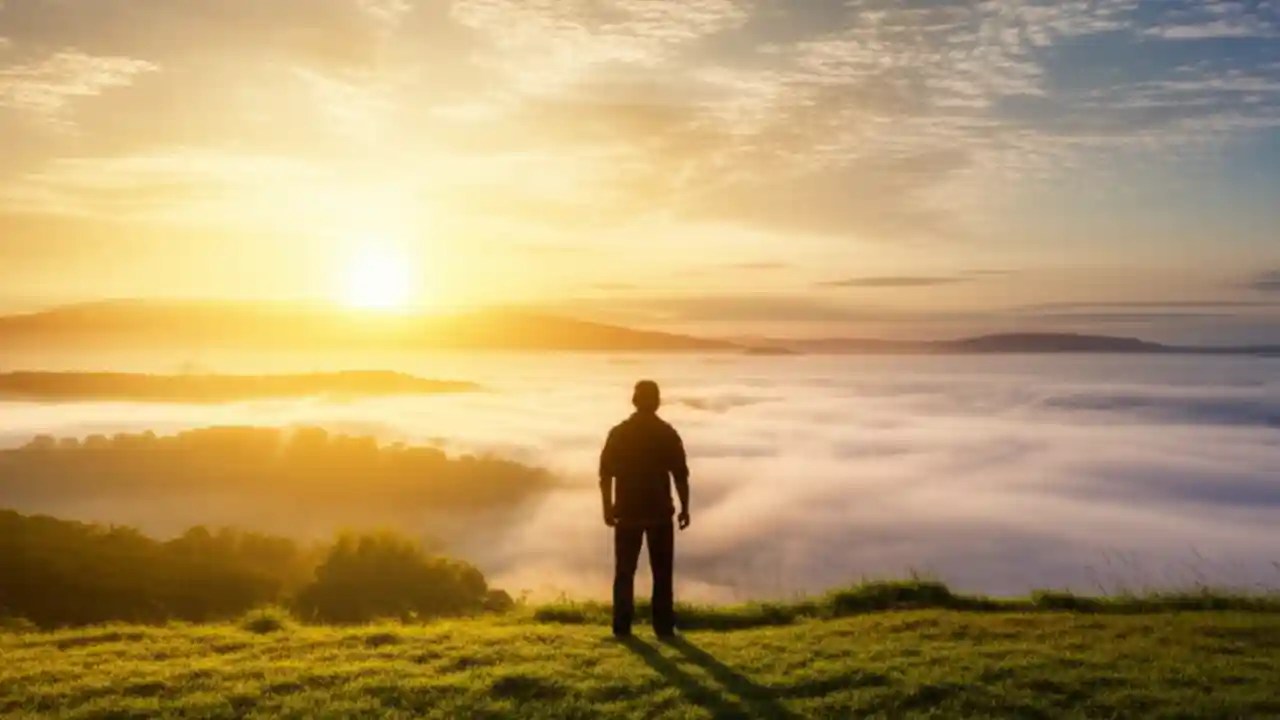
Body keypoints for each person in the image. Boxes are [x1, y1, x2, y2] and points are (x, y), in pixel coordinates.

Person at [599, 379, 690, 639]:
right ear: (658, 401)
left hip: (626, 513)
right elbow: (681, 475)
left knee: (624, 573)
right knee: (662, 574)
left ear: (634, 401)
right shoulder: (667, 433)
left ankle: (622, 628)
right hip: (660, 513)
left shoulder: (619, 433)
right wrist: (685, 508)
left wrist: (607, 507)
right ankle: (663, 628)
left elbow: (605, 474)